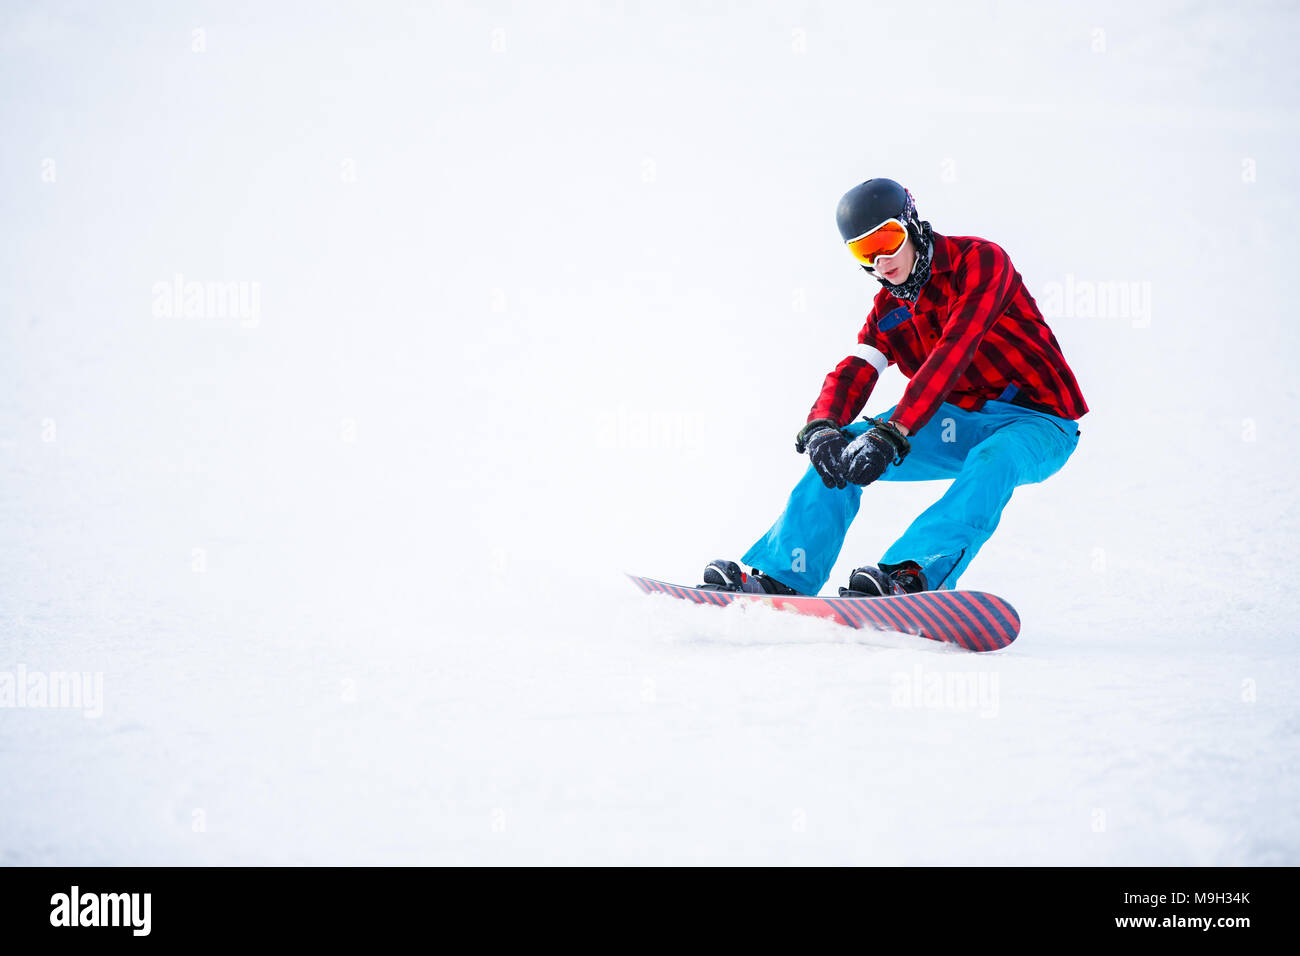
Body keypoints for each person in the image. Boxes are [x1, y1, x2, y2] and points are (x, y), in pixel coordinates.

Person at [703, 178, 1088, 597]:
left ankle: (911, 574)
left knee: (994, 459)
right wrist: (822, 426)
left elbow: (955, 350)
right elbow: (855, 369)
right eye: (864, 251)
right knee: (840, 453)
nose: (881, 261)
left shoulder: (979, 261)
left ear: (911, 224)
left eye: (887, 239)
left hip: (1039, 421)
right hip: (953, 422)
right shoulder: (889, 310)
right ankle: (784, 577)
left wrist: (896, 429)